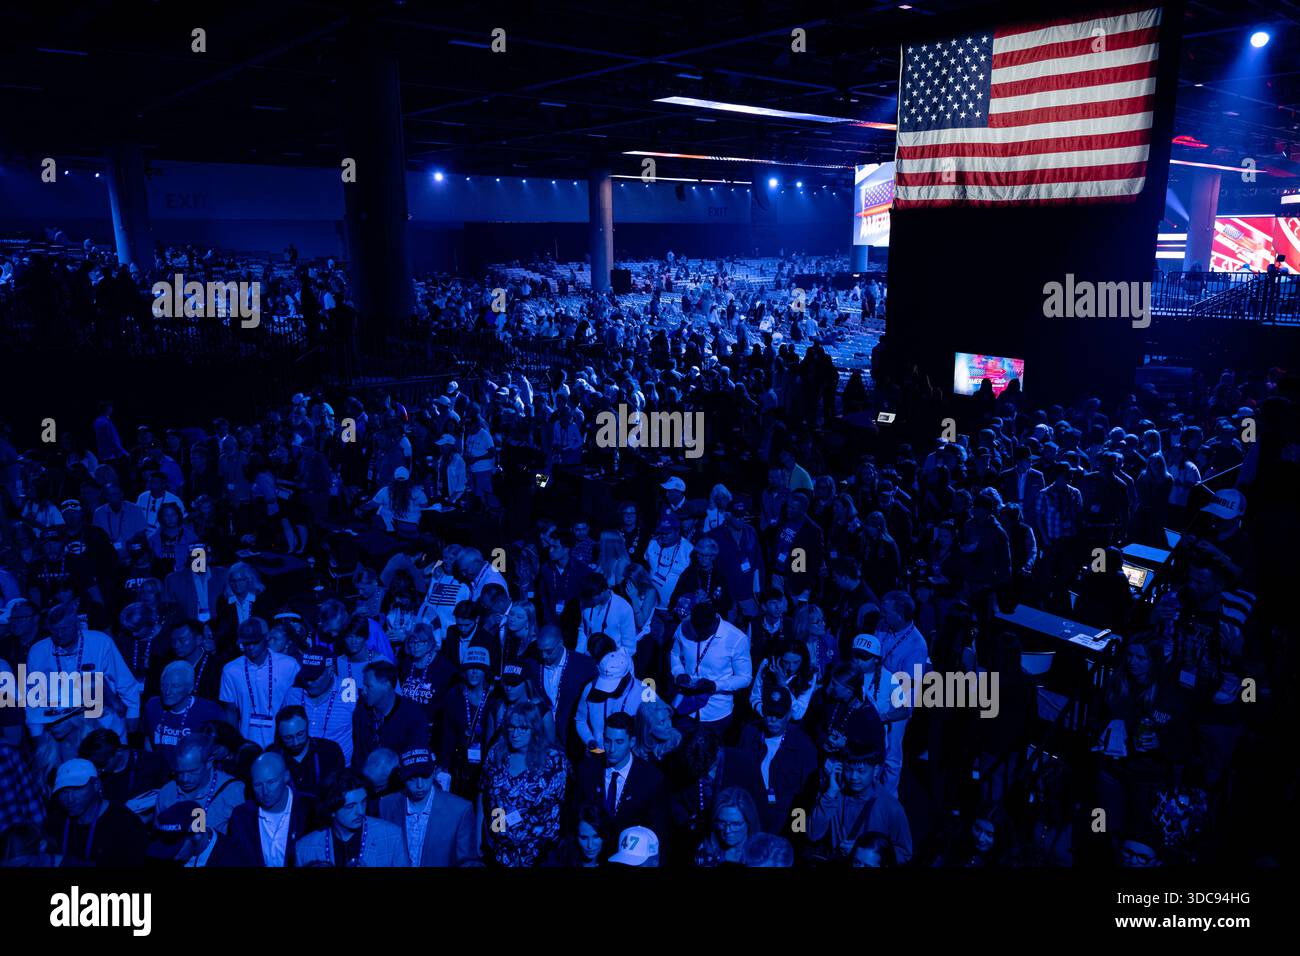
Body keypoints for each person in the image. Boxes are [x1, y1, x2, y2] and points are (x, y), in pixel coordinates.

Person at [807, 708, 911, 864]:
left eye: (861, 771)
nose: (854, 777)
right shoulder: (833, 796)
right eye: (849, 770)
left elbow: (905, 852)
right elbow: (812, 833)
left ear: (875, 770)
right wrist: (830, 793)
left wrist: (863, 851)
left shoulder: (891, 808)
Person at [480, 701, 568, 867]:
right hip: (499, 850)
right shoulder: (496, 754)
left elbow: (555, 807)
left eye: (523, 728)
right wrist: (484, 836)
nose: (515, 734)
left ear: (534, 730)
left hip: (538, 853)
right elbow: (483, 795)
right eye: (512, 727)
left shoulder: (554, 760)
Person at [378, 748, 479, 866]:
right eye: (412, 778)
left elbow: (468, 862)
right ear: (402, 777)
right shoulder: (386, 805)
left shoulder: (460, 810)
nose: (420, 785)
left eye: (425, 776)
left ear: (434, 771)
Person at [738, 686, 819, 835]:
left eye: (779, 714)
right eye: (769, 713)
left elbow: (806, 797)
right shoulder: (749, 734)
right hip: (752, 813)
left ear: (789, 715)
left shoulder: (804, 747)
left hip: (785, 820)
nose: (773, 719)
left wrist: (796, 831)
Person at [219, 751, 318, 867]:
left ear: (286, 776)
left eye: (271, 782)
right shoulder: (241, 816)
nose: (265, 791)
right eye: (257, 785)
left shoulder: (311, 808)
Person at [44, 758, 148, 866]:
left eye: (77, 789)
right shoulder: (54, 823)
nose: (70, 799)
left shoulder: (126, 824)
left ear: (96, 784)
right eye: (63, 792)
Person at [669, 603, 752, 738]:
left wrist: (715, 685)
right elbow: (675, 654)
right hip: (684, 708)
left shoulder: (736, 638)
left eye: (703, 631)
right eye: (696, 629)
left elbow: (745, 678)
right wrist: (678, 673)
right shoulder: (684, 627)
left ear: (715, 622)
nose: (698, 634)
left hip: (716, 714)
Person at [293, 769, 408, 867]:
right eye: (350, 806)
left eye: (363, 802)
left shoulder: (391, 836)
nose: (360, 811)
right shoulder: (304, 849)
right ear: (332, 810)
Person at [219, 617, 300, 748]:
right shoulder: (231, 670)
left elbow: (299, 704)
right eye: (246, 643)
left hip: (284, 742)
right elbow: (230, 711)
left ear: (266, 638)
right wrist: (234, 744)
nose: (250, 647)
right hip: (247, 741)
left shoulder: (289, 665)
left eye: (255, 642)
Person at [155, 734, 246, 835]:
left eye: (192, 771)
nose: (185, 779)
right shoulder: (167, 793)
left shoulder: (234, 791)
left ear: (209, 763)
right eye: (180, 772)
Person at [351, 660, 431, 771]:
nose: (363, 691)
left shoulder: (413, 715)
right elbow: (359, 756)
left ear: (386, 684)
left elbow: (415, 760)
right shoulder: (361, 713)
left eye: (368, 686)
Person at [270, 705, 346, 800]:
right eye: (288, 738)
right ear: (279, 735)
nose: (295, 742)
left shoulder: (330, 751)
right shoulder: (272, 756)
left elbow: (339, 792)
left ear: (307, 725)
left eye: (300, 734)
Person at [694, 786, 762, 866]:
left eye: (735, 824)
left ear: (749, 822)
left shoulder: (764, 852)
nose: (727, 830)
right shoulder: (705, 850)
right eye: (722, 822)